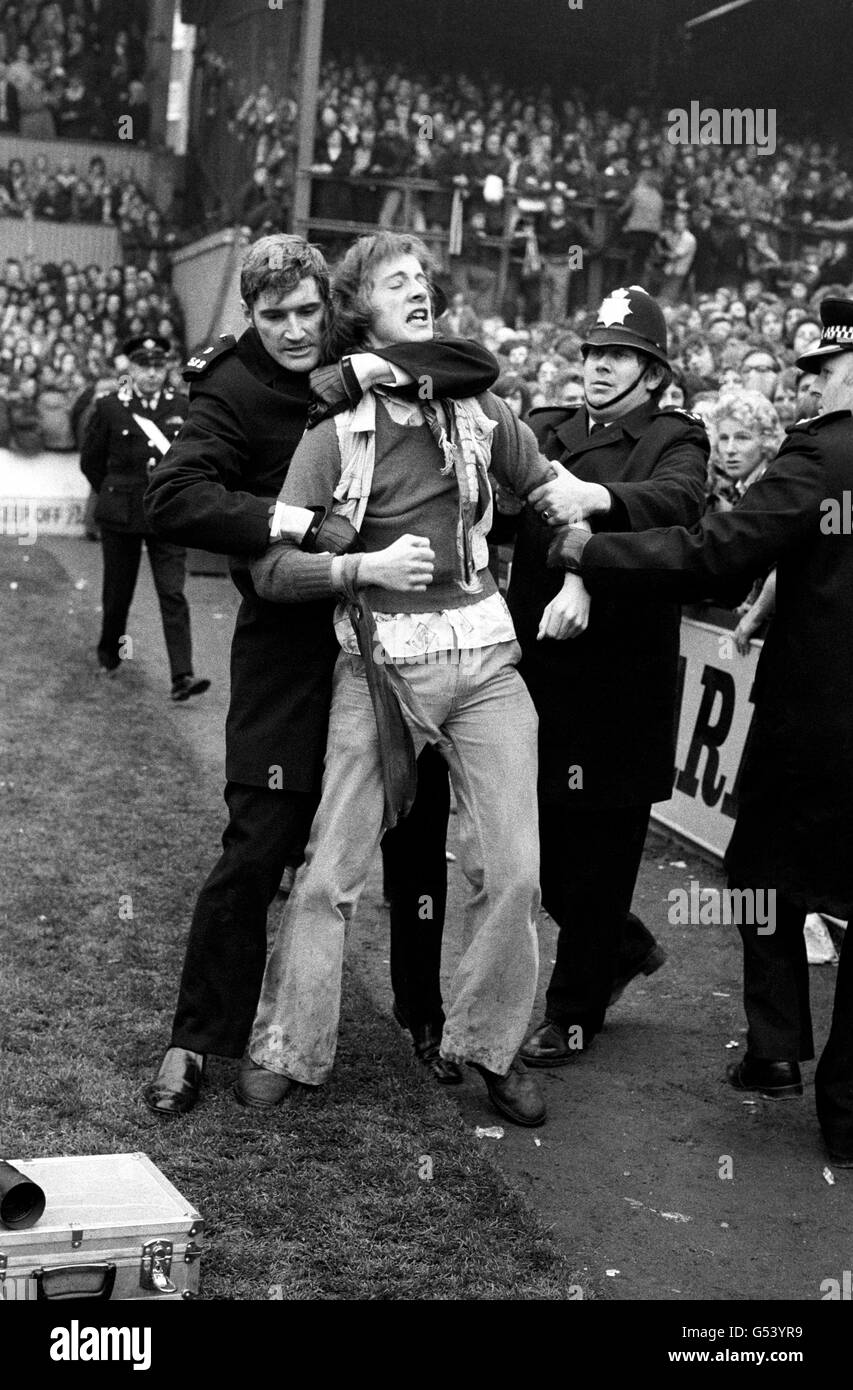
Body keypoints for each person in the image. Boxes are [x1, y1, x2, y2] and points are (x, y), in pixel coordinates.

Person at [141, 233, 499, 1115]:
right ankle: (196, 1041)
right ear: (248, 317)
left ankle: (423, 1017)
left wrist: (367, 374)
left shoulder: (358, 350)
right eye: (275, 317)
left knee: (414, 843)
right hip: (290, 647)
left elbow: (471, 365)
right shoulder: (226, 385)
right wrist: (294, 520)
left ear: (328, 307)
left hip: (395, 638)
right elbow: (174, 497)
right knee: (257, 845)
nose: (296, 331)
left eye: (308, 311)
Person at [236, 231, 563, 1128]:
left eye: (423, 278)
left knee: (515, 872)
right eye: (394, 281)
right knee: (325, 878)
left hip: (488, 663)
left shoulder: (480, 408)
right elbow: (271, 569)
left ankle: (490, 1045)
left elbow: (548, 499)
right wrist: (359, 567)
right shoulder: (333, 427)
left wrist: (577, 568)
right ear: (359, 310)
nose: (416, 288)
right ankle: (289, 1050)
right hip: (379, 667)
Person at [550, 296, 853, 1166]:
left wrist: (588, 554)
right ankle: (844, 1107)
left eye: (825, 373)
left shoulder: (824, 455)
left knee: (763, 868)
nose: (813, 391)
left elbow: (714, 548)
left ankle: (774, 1049)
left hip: (814, 728)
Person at [503, 286, 709, 1066]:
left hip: (619, 682)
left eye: (616, 356)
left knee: (601, 854)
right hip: (540, 668)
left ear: (651, 373)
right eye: (591, 353)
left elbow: (679, 503)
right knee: (534, 851)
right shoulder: (546, 427)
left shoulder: (672, 436)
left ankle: (573, 1010)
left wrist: (595, 496)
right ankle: (619, 945)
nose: (596, 368)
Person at [80, 334, 208, 700]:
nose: (152, 374)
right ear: (131, 369)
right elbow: (91, 461)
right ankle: (110, 655)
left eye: (158, 366)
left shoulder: (183, 406)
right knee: (118, 593)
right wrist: (112, 490)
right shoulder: (109, 407)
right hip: (121, 513)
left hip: (166, 514)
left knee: (173, 593)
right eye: (144, 367)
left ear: (167, 368)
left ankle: (182, 676)